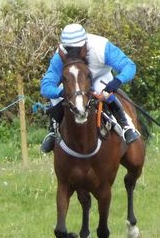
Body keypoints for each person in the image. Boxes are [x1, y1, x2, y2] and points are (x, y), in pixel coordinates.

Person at [39, 22, 140, 153]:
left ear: (85, 44)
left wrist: (117, 81)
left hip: (100, 77)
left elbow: (129, 66)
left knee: (101, 91)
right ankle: (53, 130)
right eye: (69, 49)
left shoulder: (101, 46)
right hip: (75, 82)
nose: (73, 53)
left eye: (77, 49)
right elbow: (46, 85)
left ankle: (126, 126)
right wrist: (61, 92)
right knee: (56, 97)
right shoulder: (60, 56)